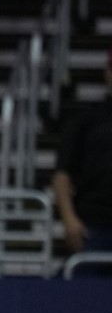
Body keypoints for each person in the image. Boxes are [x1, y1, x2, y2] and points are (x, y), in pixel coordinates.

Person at [54, 58, 112, 266]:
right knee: (85, 282)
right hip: (93, 225)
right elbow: (62, 174)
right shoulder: (86, 119)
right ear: (107, 73)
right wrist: (69, 219)